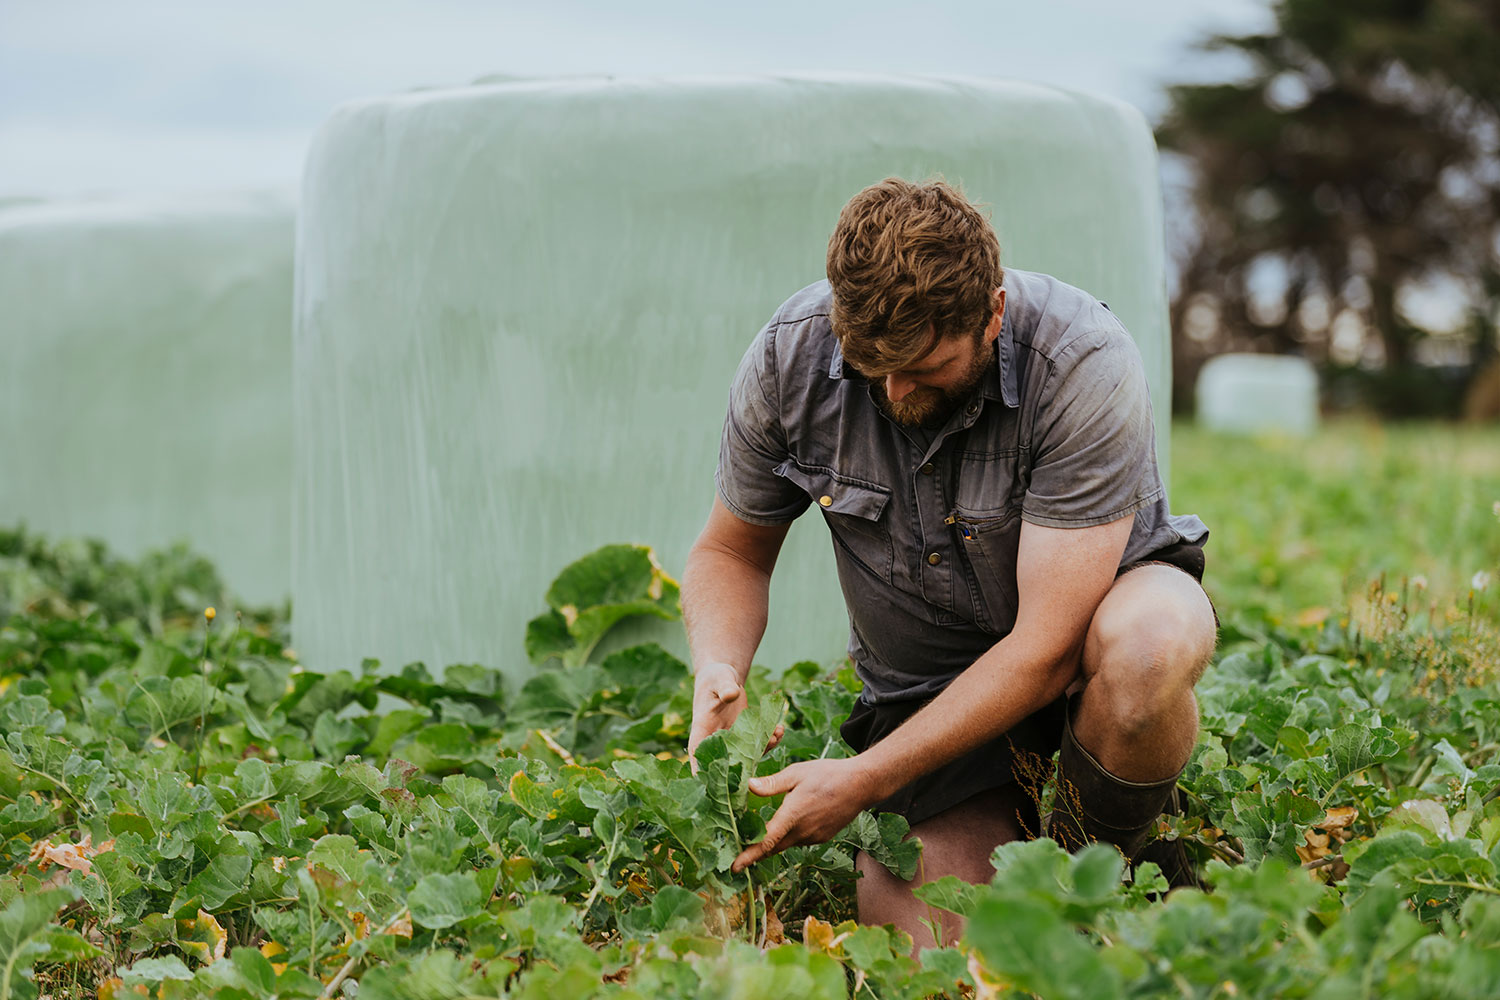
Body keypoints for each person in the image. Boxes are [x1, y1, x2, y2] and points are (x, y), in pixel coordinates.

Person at [681, 177, 1217, 949]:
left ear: (991, 314)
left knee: (1151, 648)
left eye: (924, 366)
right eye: (871, 368)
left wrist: (863, 781)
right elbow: (731, 551)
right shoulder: (787, 361)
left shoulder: (1079, 363)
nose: (894, 391)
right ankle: (1010, 840)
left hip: (1078, 653)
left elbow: (1047, 649)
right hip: (924, 697)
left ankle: (1104, 863)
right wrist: (718, 665)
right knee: (926, 948)